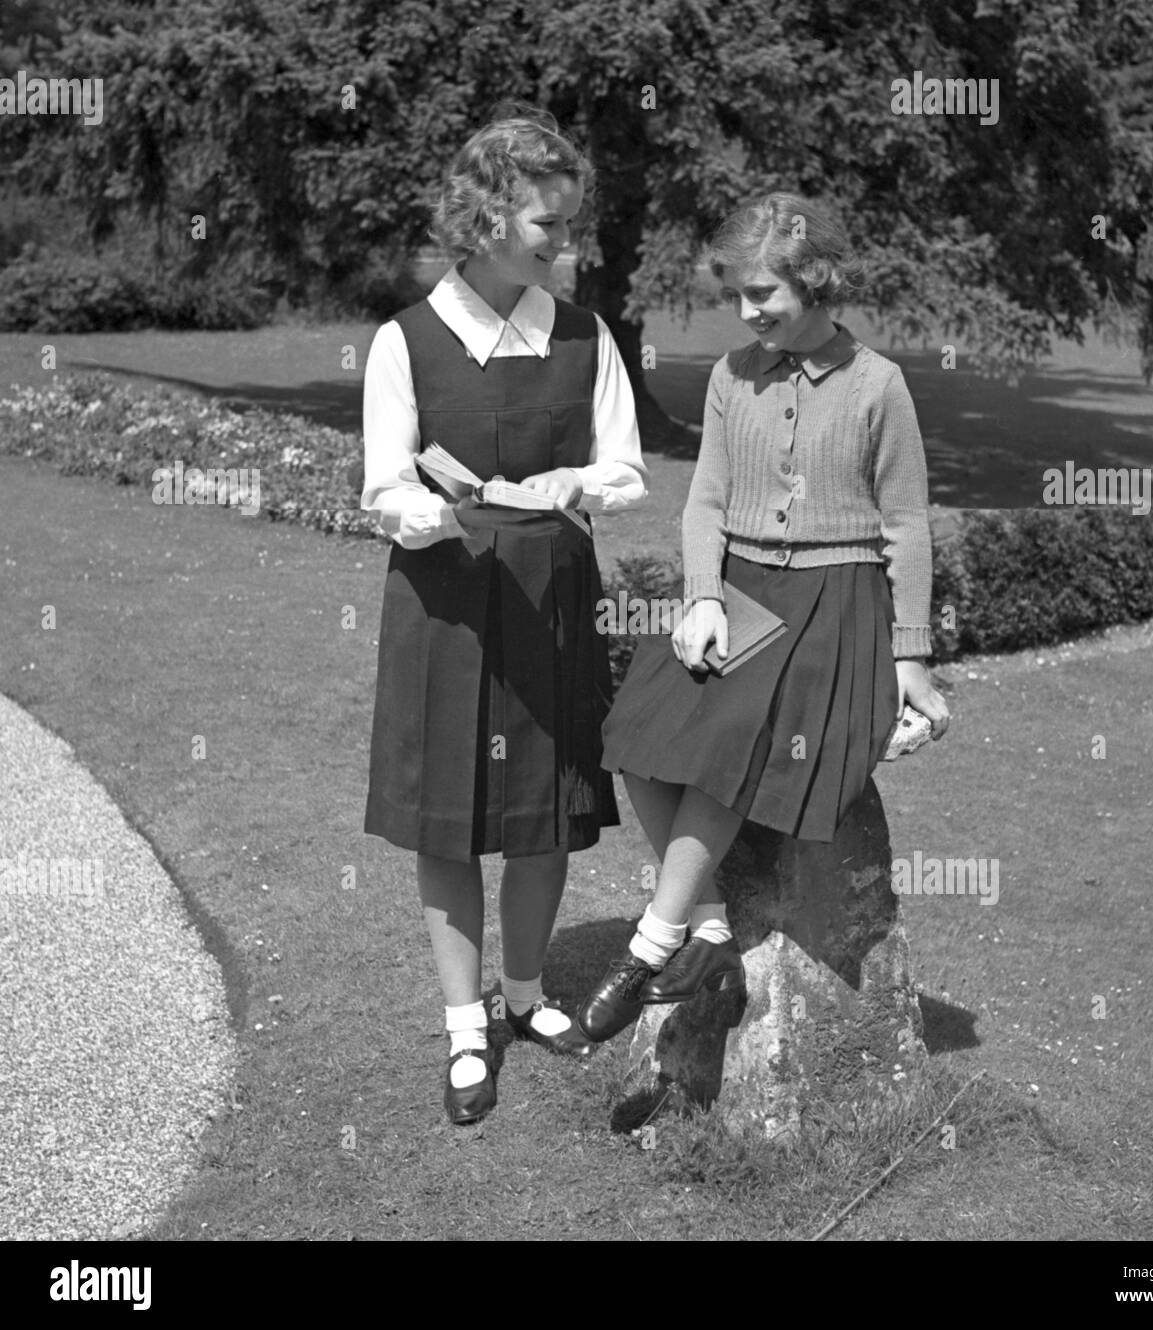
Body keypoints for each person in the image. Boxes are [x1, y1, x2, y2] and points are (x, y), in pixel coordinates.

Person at [579, 192, 949, 1041]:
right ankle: (709, 930)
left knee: (728, 742)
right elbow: (705, 499)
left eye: (763, 295)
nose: (747, 314)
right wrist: (703, 596)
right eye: (738, 296)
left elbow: (906, 528)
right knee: (638, 726)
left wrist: (911, 657)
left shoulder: (878, 386)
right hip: (739, 595)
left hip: (835, 604)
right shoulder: (729, 376)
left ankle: (648, 947)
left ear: (816, 282)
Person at [362, 103, 647, 1122]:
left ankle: (523, 995)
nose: (567, 246)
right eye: (548, 227)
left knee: (545, 819)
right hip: (444, 606)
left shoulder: (584, 336)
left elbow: (625, 473)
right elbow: (381, 491)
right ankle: (463, 1026)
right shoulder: (405, 342)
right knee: (448, 823)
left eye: (569, 227)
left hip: (555, 604)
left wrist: (574, 486)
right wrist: (440, 511)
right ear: (485, 219)